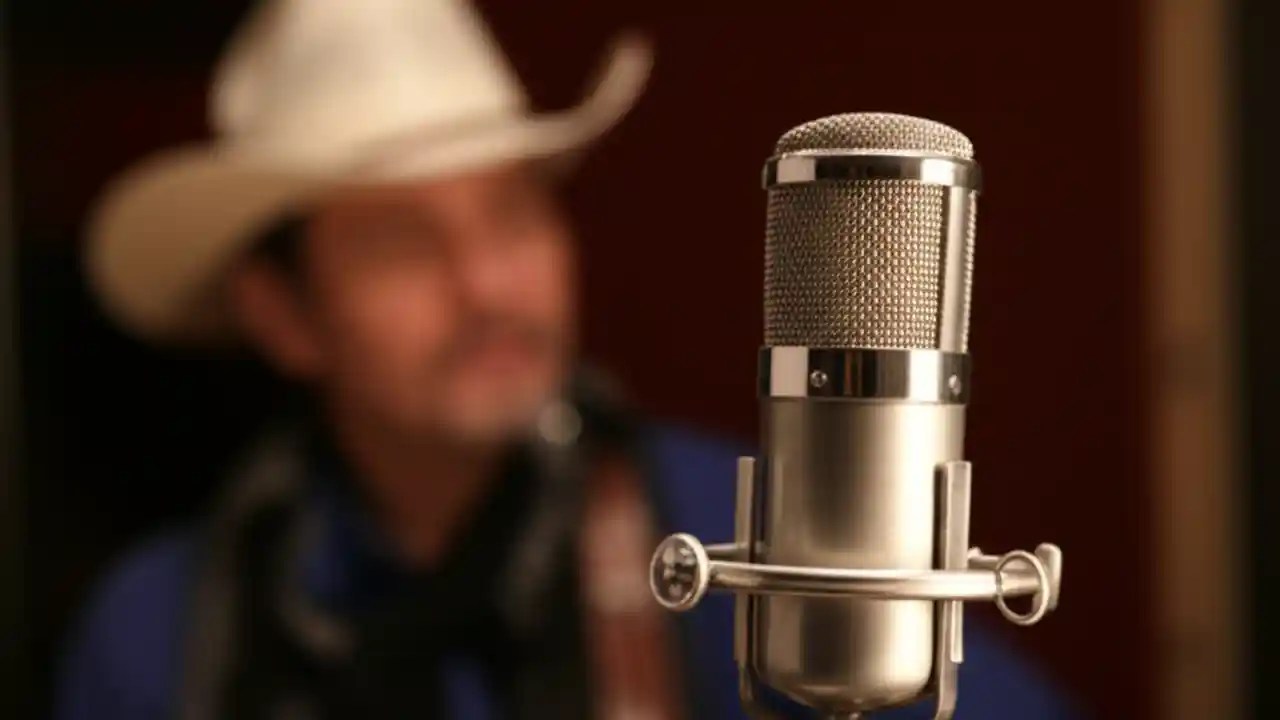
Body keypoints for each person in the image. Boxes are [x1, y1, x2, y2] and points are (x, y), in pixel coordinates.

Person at [56, 0, 1076, 718]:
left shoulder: (743, 525)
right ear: (281, 315)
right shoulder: (155, 633)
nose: (488, 284)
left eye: (510, 212)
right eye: (402, 241)